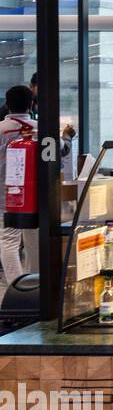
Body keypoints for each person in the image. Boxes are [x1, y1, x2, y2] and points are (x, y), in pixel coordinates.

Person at [0, 85, 38, 285]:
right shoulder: (40, 128)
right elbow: (63, 151)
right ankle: (36, 286)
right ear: (31, 104)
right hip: (36, 195)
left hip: (5, 196)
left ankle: (17, 288)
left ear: (7, 105)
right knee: (34, 241)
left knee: (8, 241)